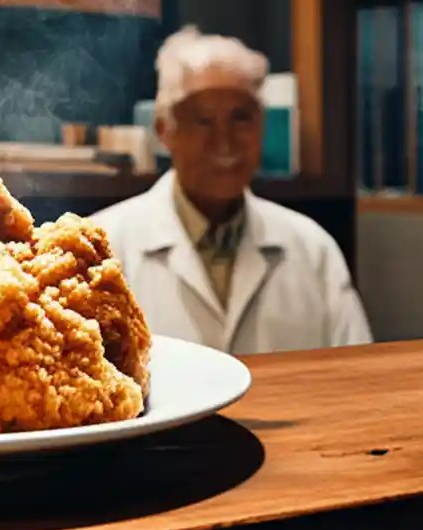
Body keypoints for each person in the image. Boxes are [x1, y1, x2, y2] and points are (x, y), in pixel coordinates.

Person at [91, 25, 372, 354]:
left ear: (262, 124)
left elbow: (357, 371)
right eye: (202, 119)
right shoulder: (105, 248)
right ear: (164, 130)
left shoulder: (312, 249)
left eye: (241, 118)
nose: (224, 142)